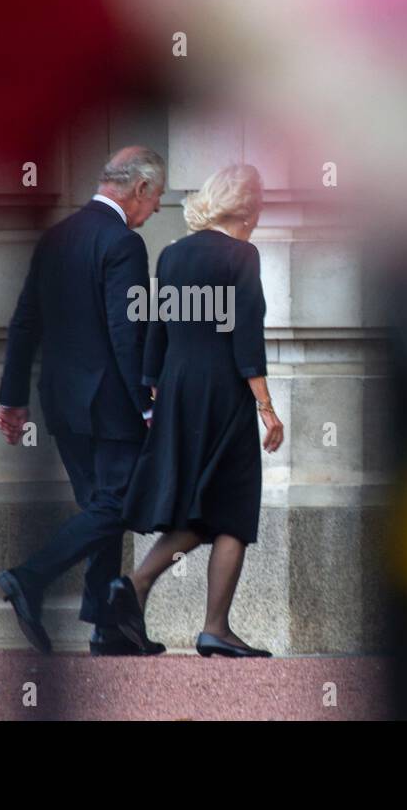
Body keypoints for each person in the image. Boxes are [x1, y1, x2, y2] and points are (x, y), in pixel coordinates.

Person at [0, 146, 167, 656]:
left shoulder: (55, 237)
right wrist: (147, 402)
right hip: (110, 404)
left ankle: (105, 625)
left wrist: (13, 398)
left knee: (99, 507)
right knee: (117, 504)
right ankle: (30, 576)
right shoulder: (123, 243)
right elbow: (125, 331)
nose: (155, 210)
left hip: (62, 404)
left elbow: (24, 321)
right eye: (155, 199)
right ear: (138, 190)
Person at [108, 164, 283, 658]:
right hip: (222, 390)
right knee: (234, 506)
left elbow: (157, 328)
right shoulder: (242, 255)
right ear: (249, 207)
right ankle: (213, 627)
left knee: (203, 505)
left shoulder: (174, 253)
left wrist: (155, 389)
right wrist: (266, 407)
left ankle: (139, 586)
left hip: (178, 388)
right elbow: (247, 338)